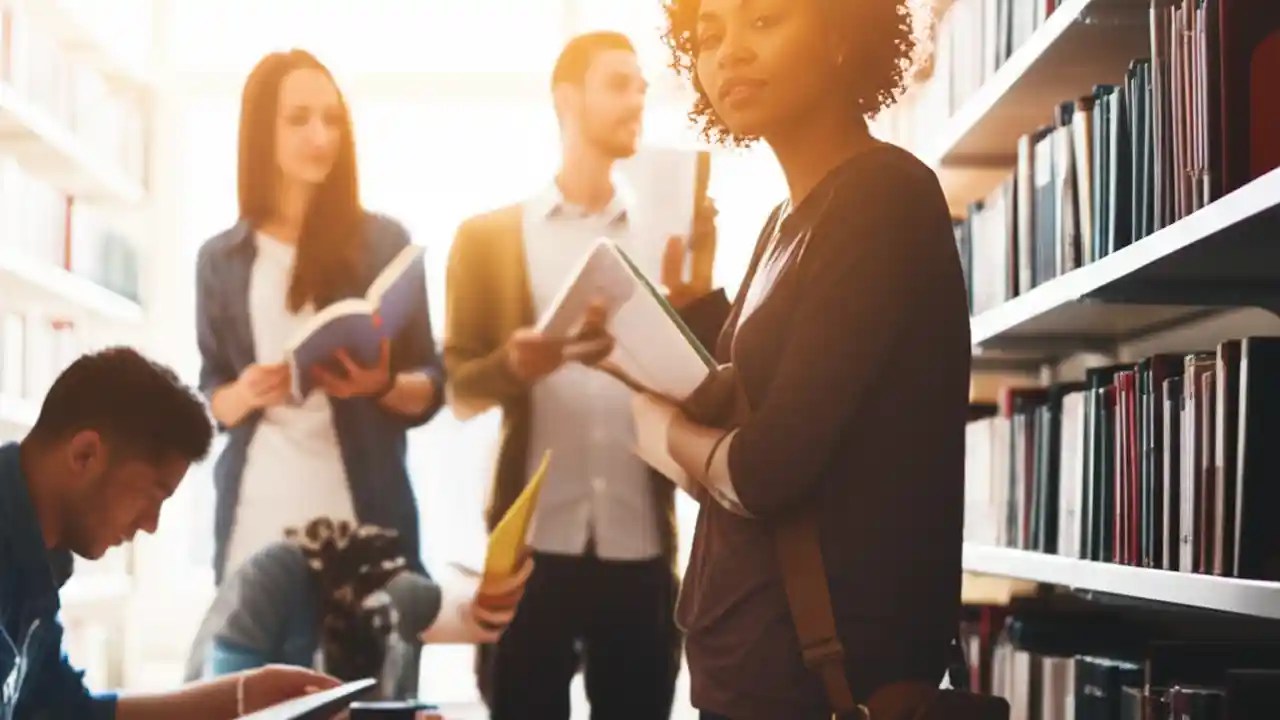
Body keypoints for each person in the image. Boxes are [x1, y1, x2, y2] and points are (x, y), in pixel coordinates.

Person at [626, 1, 972, 718]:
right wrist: (692, 303)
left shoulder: (884, 196)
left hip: (827, 678)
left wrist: (660, 432)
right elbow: (758, 395)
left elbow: (767, 469)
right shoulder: (783, 220)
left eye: (764, 21)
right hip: (749, 664)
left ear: (840, 35)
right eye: (709, 35)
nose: (729, 52)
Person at [444, 31, 718, 720]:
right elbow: (459, 388)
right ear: (567, 99)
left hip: (640, 541)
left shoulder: (664, 236)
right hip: (533, 545)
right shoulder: (486, 239)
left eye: (642, 87)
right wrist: (516, 364)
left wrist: (697, 295)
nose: (637, 100)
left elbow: (709, 387)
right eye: (618, 84)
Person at [196, 49, 445, 584]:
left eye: (332, 119)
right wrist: (245, 393)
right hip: (257, 510)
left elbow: (431, 384)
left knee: (370, 638)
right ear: (262, 131)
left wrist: (381, 386)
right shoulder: (221, 259)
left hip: (364, 509)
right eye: (299, 119)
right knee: (259, 635)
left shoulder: (385, 243)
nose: (320, 136)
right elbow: (212, 393)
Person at [0, 347, 341, 719]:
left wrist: (242, 697)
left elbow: (67, 711)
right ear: (85, 454)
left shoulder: (39, 557)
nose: (151, 524)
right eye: (153, 495)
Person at [183, 520, 533, 698]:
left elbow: (473, 612)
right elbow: (229, 701)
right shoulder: (272, 579)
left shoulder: (401, 599)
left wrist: (501, 585)